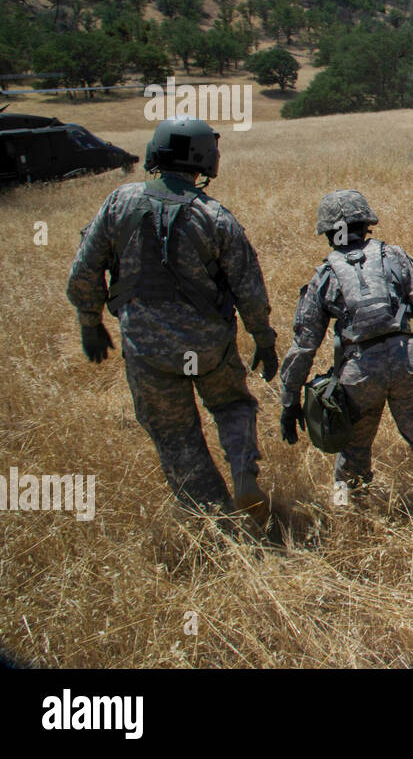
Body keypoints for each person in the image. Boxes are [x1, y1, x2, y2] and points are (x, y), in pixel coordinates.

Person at [66, 115, 277, 524]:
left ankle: (214, 522)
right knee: (233, 405)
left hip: (148, 352)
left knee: (175, 435)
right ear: (206, 159)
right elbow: (250, 288)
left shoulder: (119, 203)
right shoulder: (216, 217)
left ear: (155, 153)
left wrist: (89, 322)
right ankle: (243, 472)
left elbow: (85, 271)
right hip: (209, 347)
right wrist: (264, 339)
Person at [277, 190, 413, 512]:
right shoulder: (395, 257)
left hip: (359, 376)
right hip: (410, 364)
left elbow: (304, 345)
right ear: (366, 224)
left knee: (351, 452)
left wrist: (289, 401)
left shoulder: (324, 275)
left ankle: (346, 511)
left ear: (328, 232)